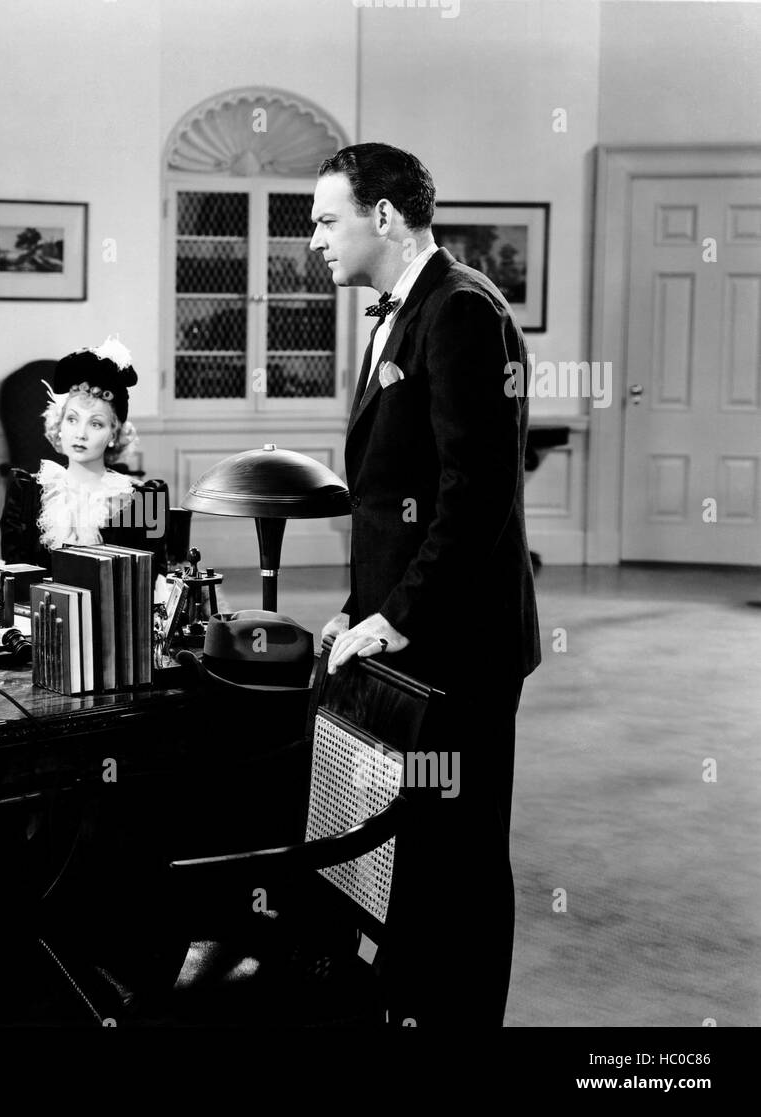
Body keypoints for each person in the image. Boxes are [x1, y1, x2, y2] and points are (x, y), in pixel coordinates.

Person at [309, 143, 540, 1027]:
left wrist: (398, 620)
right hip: (415, 635)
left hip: (462, 649)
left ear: (386, 217)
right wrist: (362, 609)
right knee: (419, 844)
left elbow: (474, 494)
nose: (316, 239)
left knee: (462, 853)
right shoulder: (399, 310)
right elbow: (394, 495)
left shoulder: (461, 312)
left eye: (329, 219)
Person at [0, 337, 168, 572]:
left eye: (96, 424)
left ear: (114, 434)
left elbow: (153, 579)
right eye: (72, 419)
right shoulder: (27, 493)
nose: (80, 433)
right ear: (59, 426)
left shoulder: (144, 499)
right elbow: (15, 575)